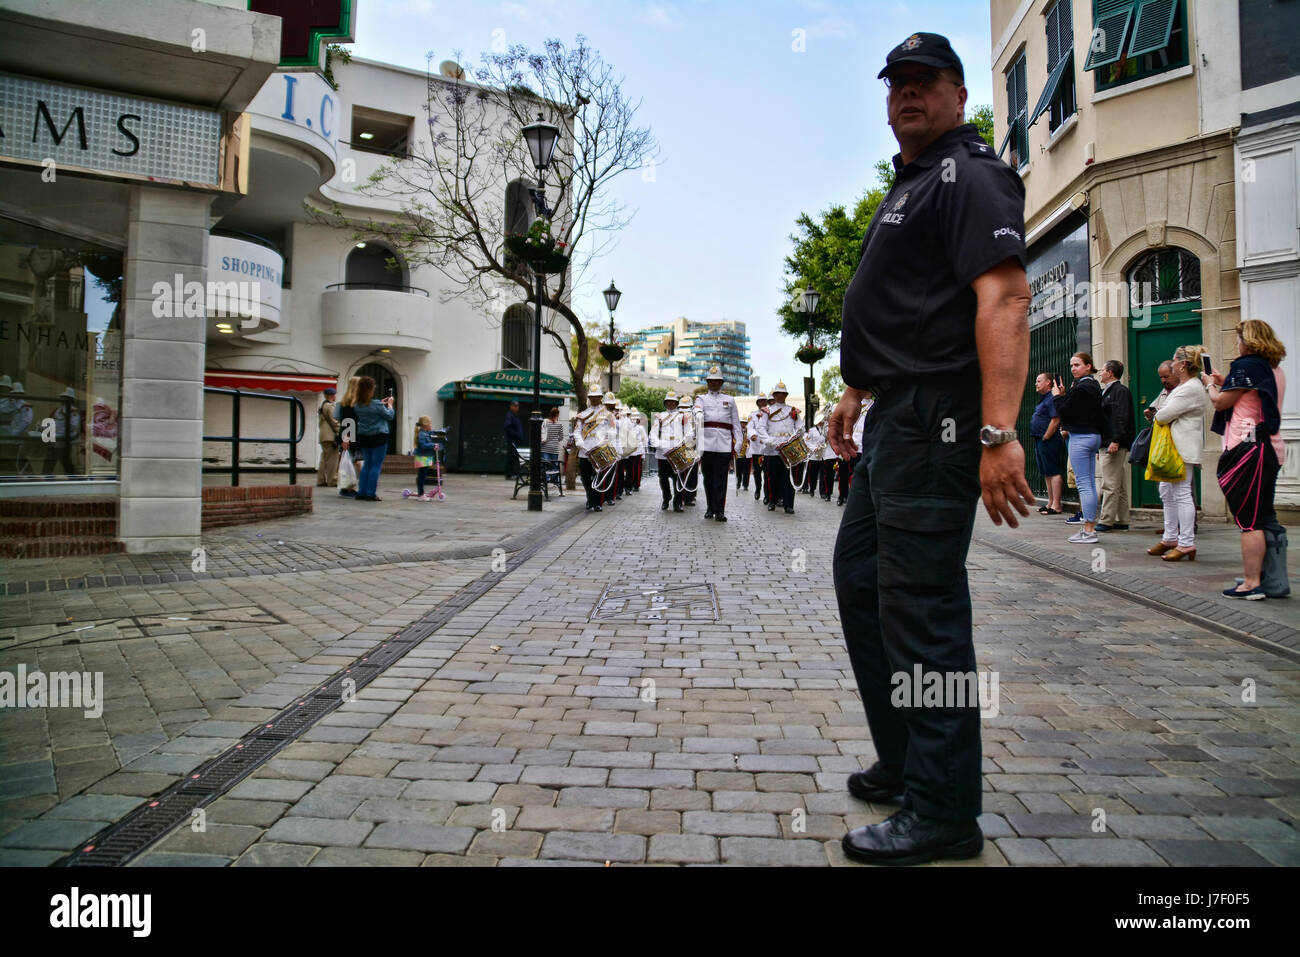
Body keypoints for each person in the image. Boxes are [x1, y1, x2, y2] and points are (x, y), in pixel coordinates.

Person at [828, 32, 1034, 866]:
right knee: (860, 581)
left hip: (939, 423)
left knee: (924, 609)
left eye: (926, 82)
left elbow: (1006, 298)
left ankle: (944, 809)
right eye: (896, 84)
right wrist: (856, 385)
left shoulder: (971, 175)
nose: (907, 95)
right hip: (894, 418)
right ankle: (909, 758)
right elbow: (909, 306)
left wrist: (997, 431)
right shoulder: (915, 181)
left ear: (957, 94)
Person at [1207, 320, 1289, 598]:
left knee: (1249, 520)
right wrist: (1224, 381)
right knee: (1264, 516)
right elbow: (1251, 396)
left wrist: (1210, 385)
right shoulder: (1274, 369)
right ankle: (1274, 579)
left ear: (1248, 341)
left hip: (1248, 448)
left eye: (1238, 338)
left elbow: (1221, 402)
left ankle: (1253, 583)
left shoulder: (1247, 367)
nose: (1236, 344)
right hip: (1271, 447)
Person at [1147, 345, 1211, 562]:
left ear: (1182, 365)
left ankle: (1186, 542)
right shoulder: (1185, 386)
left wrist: (1160, 414)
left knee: (1182, 493)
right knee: (1167, 491)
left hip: (1182, 448)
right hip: (1174, 447)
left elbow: (1163, 415)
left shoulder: (1190, 388)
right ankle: (1170, 537)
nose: (1172, 364)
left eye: (1174, 361)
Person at [1052, 353, 1104, 544]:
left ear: (1089, 366)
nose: (1073, 368)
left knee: (1084, 484)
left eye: (1077, 365)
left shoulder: (1082, 387)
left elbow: (1063, 410)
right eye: (1072, 365)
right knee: (1088, 482)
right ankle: (1088, 526)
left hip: (1081, 437)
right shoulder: (1093, 386)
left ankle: (1089, 528)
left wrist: (1058, 397)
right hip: (1092, 435)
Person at [693, 367, 743, 521]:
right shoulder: (701, 399)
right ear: (708, 382)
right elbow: (696, 411)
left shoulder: (730, 400)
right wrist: (698, 413)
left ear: (721, 383)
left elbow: (736, 423)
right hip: (706, 444)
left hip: (724, 443)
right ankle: (710, 507)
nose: (714, 383)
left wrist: (739, 442)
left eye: (717, 381)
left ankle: (720, 510)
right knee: (708, 478)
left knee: (721, 478)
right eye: (711, 381)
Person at [1097, 360, 1135, 531]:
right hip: (1110, 441)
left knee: (1110, 483)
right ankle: (1122, 518)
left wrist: (1116, 440)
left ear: (1110, 373)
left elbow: (1121, 417)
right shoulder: (1110, 391)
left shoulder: (1119, 391)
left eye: (1103, 370)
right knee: (1119, 483)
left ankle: (1106, 520)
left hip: (1113, 442)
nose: (1100, 372)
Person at [757, 382, 802, 514]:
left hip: (788, 448)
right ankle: (772, 501)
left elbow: (800, 426)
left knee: (789, 477)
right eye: (778, 394)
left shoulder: (792, 410)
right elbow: (761, 428)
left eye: (783, 394)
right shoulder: (767, 410)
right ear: (774, 395)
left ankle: (789, 504)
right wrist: (769, 441)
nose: (780, 396)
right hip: (773, 448)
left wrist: (793, 439)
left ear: (786, 395)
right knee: (772, 477)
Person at [353, 375, 395, 501]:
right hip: (378, 436)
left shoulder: (357, 404)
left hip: (364, 436)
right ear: (370, 388)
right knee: (376, 465)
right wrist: (390, 405)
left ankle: (361, 491)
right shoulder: (376, 404)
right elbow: (389, 416)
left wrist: (381, 404)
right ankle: (370, 493)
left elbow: (370, 408)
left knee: (367, 465)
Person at [651, 391, 694, 512]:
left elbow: (690, 432)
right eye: (668, 401)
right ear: (665, 403)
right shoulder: (659, 417)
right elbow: (653, 434)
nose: (670, 403)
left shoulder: (682, 417)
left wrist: (681, 444)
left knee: (678, 478)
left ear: (676, 403)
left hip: (677, 452)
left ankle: (678, 503)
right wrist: (658, 444)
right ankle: (666, 497)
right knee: (662, 478)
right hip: (663, 453)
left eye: (673, 402)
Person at [1029, 373, 1065, 515]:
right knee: (1046, 472)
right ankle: (1050, 502)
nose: (1036, 384)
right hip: (1040, 439)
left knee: (1053, 471)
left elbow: (1055, 419)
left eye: (1039, 381)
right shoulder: (1043, 399)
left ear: (1048, 382)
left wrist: (1046, 436)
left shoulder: (1051, 398)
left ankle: (1056, 504)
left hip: (1048, 440)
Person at [572, 392, 606, 511]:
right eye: (591, 396)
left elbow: (611, 431)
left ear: (600, 398)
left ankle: (597, 502)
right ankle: (590, 498)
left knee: (599, 477)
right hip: (585, 450)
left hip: (599, 449)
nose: (593, 398)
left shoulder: (607, 414)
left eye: (595, 396)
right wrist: (579, 442)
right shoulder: (583, 414)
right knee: (585, 477)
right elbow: (577, 431)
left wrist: (603, 442)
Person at [337, 376, 361, 497]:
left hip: (352, 435)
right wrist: (345, 439)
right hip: (351, 437)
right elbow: (347, 422)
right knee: (350, 463)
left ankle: (349, 487)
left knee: (351, 463)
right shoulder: (350, 404)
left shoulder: (346, 402)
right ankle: (347, 489)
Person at [407, 415, 439, 500]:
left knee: (423, 476)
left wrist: (440, 433)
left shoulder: (426, 433)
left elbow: (432, 434)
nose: (431, 425)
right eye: (430, 423)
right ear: (425, 424)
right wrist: (433, 445)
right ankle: (421, 495)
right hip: (422, 458)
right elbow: (423, 445)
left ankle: (421, 493)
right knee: (421, 476)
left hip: (426, 457)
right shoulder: (422, 434)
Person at [316, 387, 340, 488]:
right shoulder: (330, 406)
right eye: (334, 394)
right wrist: (340, 432)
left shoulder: (322, 406)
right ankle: (332, 480)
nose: (335, 396)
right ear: (331, 395)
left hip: (323, 436)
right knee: (332, 460)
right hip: (331, 436)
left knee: (324, 459)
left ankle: (321, 480)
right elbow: (334, 421)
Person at [747, 394, 770, 502]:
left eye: (764, 401)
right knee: (757, 471)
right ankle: (758, 489)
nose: (762, 403)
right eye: (760, 401)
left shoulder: (771, 413)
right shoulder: (753, 415)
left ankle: (767, 494)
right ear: (757, 403)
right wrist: (752, 435)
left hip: (767, 447)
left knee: (767, 472)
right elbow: (750, 427)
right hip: (756, 448)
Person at [503, 400, 525, 479]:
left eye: (517, 406)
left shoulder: (515, 415)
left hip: (516, 440)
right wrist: (515, 435)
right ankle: (509, 474)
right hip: (512, 440)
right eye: (515, 406)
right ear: (511, 406)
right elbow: (507, 427)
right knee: (511, 457)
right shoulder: (510, 415)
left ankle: (513, 473)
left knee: (515, 457)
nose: (517, 407)